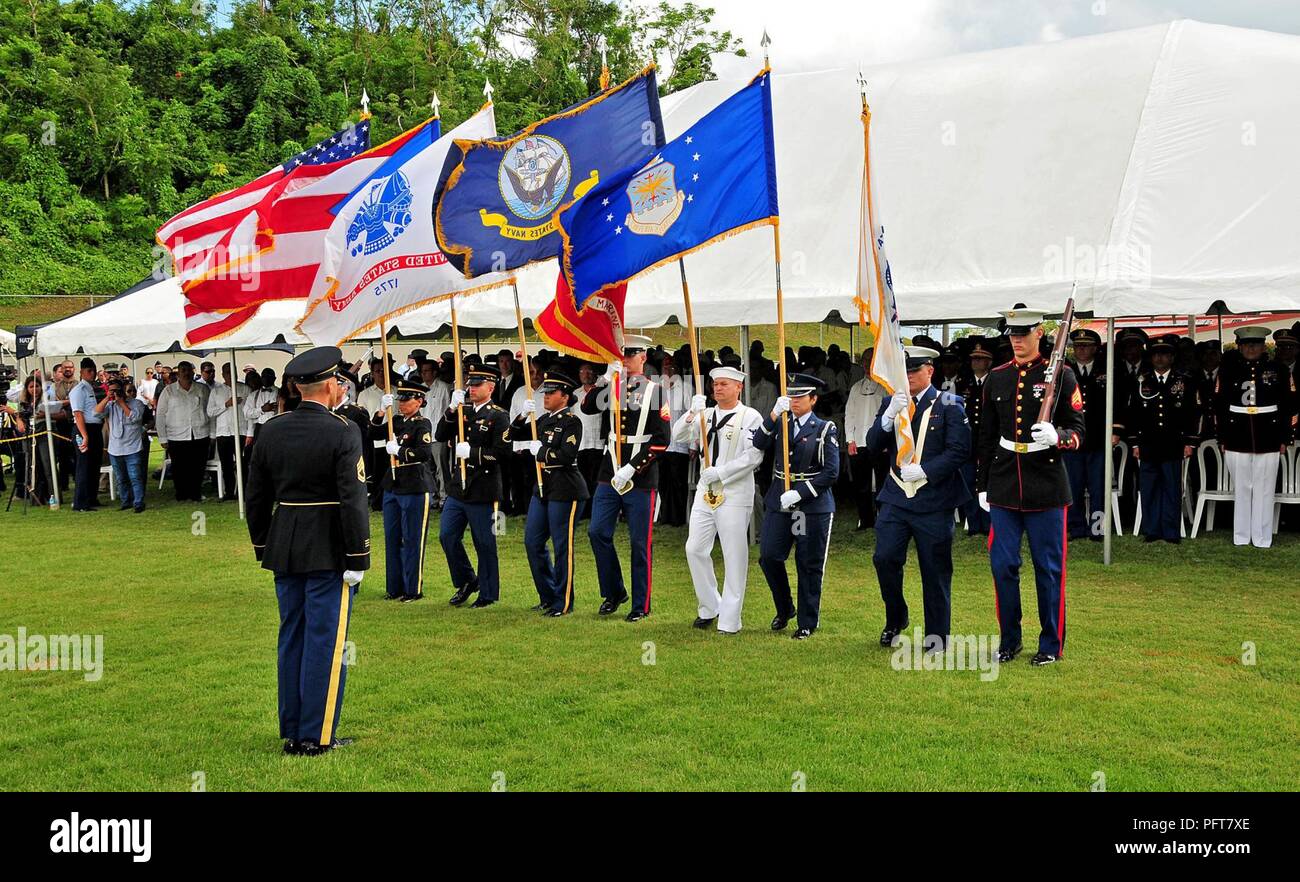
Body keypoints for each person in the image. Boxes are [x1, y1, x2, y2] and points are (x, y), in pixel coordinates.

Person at [246, 346, 371, 756]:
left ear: (298, 387)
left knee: (293, 636)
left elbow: (257, 496)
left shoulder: (271, 429)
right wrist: (359, 557)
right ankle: (316, 736)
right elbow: (353, 498)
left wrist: (264, 542)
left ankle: (294, 728)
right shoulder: (342, 431)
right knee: (324, 641)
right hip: (329, 546)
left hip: (285, 541)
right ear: (332, 386)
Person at [976, 309, 1086, 667]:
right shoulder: (996, 378)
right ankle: (1010, 640)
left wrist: (1059, 437)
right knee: (1003, 564)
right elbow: (987, 437)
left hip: (1047, 483)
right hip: (1006, 483)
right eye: (1012, 334)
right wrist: (983, 485)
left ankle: (1051, 643)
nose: (1017, 340)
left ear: (1040, 333)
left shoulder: (1063, 375)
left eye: (1024, 333)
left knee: (1049, 569)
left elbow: (1079, 430)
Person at [866, 347, 971, 651]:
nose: (909, 376)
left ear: (930, 371)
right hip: (896, 497)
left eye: (915, 370)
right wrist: (887, 417)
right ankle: (896, 619)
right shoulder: (893, 402)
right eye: (905, 371)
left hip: (934, 500)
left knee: (935, 570)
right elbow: (873, 444)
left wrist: (925, 470)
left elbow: (959, 451)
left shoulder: (950, 404)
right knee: (884, 558)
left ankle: (937, 636)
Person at [581, 335, 671, 622]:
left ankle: (640, 604)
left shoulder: (656, 390)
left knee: (638, 542)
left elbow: (661, 440)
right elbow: (587, 407)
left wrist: (633, 467)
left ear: (642, 357)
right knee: (597, 532)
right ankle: (614, 591)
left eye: (630, 354)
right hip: (609, 471)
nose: (625, 359)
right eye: (621, 354)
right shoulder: (613, 387)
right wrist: (605, 379)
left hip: (640, 476)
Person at [672, 365, 764, 633]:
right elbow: (677, 435)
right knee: (694, 548)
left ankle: (730, 620)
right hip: (706, 490)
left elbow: (754, 455)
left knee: (734, 554)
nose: (718, 388)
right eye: (715, 384)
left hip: (734, 492)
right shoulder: (706, 414)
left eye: (724, 384)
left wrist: (722, 472)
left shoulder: (750, 416)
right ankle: (710, 606)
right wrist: (691, 412)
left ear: (739, 387)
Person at [753, 374, 840, 640]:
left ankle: (807, 621)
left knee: (808, 562)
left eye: (800, 397)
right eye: (791, 396)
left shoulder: (825, 428)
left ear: (813, 399)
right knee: (769, 556)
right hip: (780, 502)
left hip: (809, 507)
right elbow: (759, 443)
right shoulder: (781, 422)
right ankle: (785, 608)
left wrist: (800, 493)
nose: (794, 401)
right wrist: (772, 415)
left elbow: (831, 472)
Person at [506, 370, 589, 615]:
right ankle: (548, 594)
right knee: (532, 541)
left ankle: (562, 602)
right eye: (546, 392)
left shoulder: (572, 422)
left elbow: (566, 456)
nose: (546, 396)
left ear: (564, 397)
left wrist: (540, 452)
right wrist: (521, 416)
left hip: (566, 489)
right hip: (542, 489)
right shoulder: (542, 420)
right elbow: (510, 435)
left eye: (551, 393)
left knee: (562, 546)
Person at [1212, 326, 1296, 548]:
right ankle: (1241, 536)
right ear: (1239, 346)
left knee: (1265, 488)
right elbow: (1219, 406)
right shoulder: (1228, 370)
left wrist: (1285, 438)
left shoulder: (1278, 369)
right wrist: (1222, 438)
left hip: (1268, 434)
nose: (1251, 348)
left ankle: (1261, 537)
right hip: (1236, 434)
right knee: (1242, 487)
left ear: (1263, 346)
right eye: (1247, 344)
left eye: (1256, 344)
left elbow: (1289, 405)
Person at [435, 363, 511, 608]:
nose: (471, 388)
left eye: (477, 385)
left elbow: (503, 452)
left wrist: (474, 453)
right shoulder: (462, 410)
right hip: (459, 486)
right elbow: (440, 434)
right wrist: (450, 408)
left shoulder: (498, 415)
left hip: (483, 486)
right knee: (447, 535)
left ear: (491, 387)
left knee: (484, 542)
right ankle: (468, 579)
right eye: (470, 384)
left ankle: (488, 593)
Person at [1122, 334, 1198, 543]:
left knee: (1172, 488)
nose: (1160, 359)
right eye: (1156, 355)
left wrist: (1190, 442)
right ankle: (1152, 530)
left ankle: (1171, 530)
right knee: (1149, 488)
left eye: (1165, 354)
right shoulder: (1141, 381)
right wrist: (1135, 443)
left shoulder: (1183, 381)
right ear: (1151, 357)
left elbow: (1193, 412)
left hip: (1174, 444)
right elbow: (1133, 415)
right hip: (1148, 444)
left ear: (1172, 357)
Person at [372, 378, 435, 601]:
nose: (402, 403)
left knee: (412, 539)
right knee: (392, 537)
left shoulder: (422, 423)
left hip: (414, 484)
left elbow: (424, 453)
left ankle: (412, 589)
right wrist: (380, 412)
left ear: (419, 401)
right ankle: (394, 586)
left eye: (406, 399)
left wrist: (399, 451)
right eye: (400, 398)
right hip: (393, 485)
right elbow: (374, 433)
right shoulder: (395, 420)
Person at [1063, 329, 1110, 540]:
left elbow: (1114, 403)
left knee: (1098, 488)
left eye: (1086, 345)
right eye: (1078, 346)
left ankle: (1097, 527)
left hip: (1098, 438)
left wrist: (1115, 431)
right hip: (1073, 439)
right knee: (1073, 486)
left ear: (1095, 348)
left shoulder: (1106, 370)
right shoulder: (1066, 371)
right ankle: (1076, 527)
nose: (1081, 350)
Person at [154, 360, 211, 502]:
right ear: (178, 373)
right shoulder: (169, 391)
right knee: (179, 467)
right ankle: (181, 493)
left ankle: (195, 493)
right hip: (176, 435)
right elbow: (160, 414)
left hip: (200, 433)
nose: (186, 373)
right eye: (183, 370)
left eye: (188, 370)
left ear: (193, 372)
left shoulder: (202, 389)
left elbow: (210, 411)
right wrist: (162, 437)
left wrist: (213, 433)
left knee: (198, 466)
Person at [844, 348, 886, 530]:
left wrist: (887, 440)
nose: (868, 365)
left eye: (872, 360)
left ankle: (883, 519)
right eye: (865, 361)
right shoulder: (856, 387)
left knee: (883, 483)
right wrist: (849, 440)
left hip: (880, 443)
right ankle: (865, 520)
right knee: (861, 485)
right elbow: (849, 415)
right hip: (859, 442)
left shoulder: (886, 386)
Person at [95, 377, 147, 512]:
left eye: (117, 390)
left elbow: (135, 417)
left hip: (133, 447)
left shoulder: (137, 403)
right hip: (115, 449)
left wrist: (122, 402)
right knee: (121, 478)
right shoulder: (110, 405)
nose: (114, 393)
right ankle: (125, 502)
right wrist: (107, 398)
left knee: (135, 477)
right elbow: (96, 413)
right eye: (111, 390)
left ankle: (138, 503)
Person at [67, 357, 105, 512]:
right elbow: (78, 414)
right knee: (84, 466)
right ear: (81, 371)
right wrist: (85, 436)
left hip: (95, 428)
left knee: (95, 464)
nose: (92, 373)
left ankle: (91, 497)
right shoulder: (78, 390)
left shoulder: (91, 388)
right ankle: (80, 502)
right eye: (89, 370)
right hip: (83, 429)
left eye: (94, 370)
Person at [206, 363, 247, 501]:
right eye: (227, 372)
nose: (230, 374)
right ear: (223, 374)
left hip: (241, 431)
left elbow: (249, 410)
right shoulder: (216, 391)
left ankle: (244, 491)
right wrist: (226, 405)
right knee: (227, 464)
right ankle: (229, 492)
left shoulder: (244, 388)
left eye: (232, 371)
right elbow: (210, 412)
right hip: (223, 432)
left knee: (242, 464)